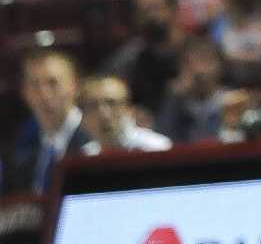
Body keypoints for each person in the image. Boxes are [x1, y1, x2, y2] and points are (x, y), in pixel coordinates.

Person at [8, 49, 91, 190]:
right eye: (34, 85)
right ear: (24, 93)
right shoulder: (22, 144)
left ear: (75, 87)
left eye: (53, 83)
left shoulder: (93, 137)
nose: (44, 95)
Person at [80, 75, 171, 155]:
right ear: (84, 118)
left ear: (128, 109)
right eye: (92, 106)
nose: (103, 114)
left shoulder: (156, 149)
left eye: (111, 103)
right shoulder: (86, 155)